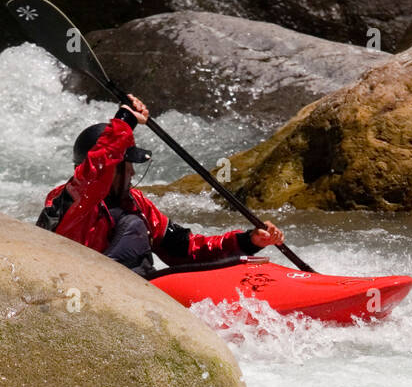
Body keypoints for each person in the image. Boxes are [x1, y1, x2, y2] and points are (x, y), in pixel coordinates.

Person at [37, 94, 284, 276]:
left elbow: (186, 250)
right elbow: (96, 169)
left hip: (135, 292)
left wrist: (248, 241)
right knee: (131, 225)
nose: (133, 171)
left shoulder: (136, 203)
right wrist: (125, 119)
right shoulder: (68, 203)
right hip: (82, 291)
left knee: (134, 223)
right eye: (125, 165)